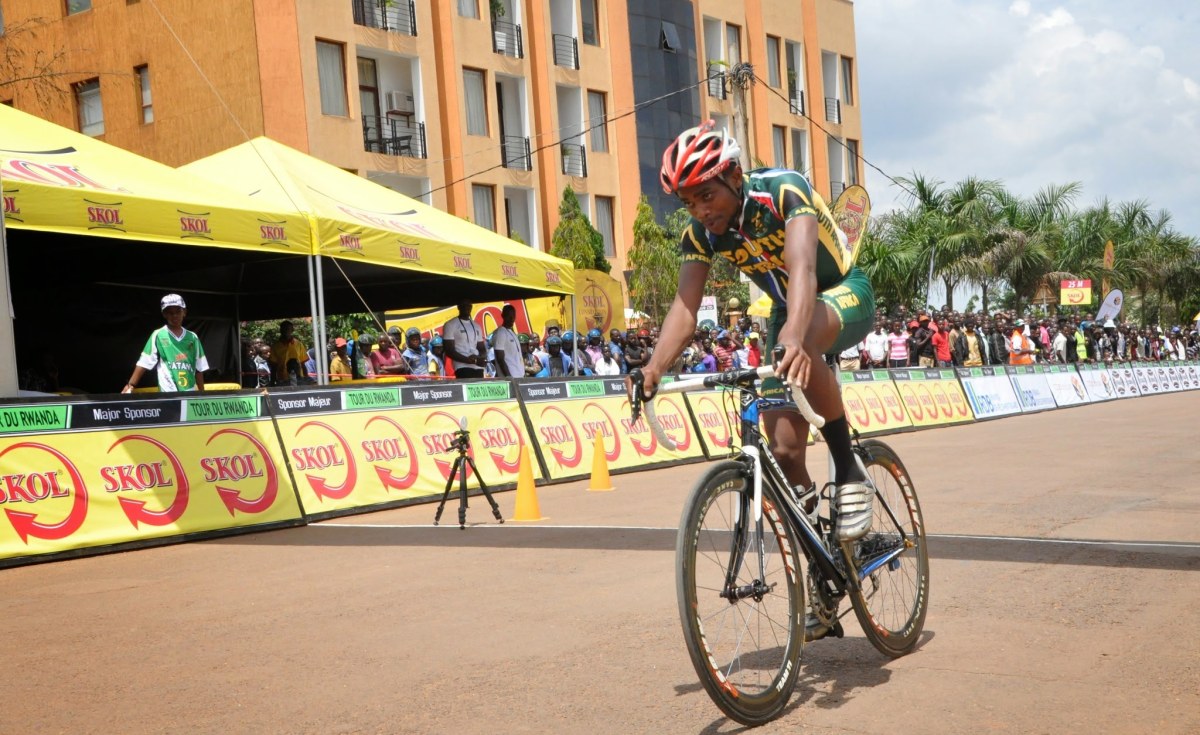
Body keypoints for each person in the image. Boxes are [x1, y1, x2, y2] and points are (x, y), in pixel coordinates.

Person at [639, 120, 876, 547]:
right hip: (788, 310)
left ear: (733, 175)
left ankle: (848, 468)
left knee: (802, 343)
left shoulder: (783, 190)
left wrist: (794, 335)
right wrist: (653, 367)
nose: (701, 212)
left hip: (841, 290)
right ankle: (823, 563)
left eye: (707, 196)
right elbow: (685, 306)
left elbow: (802, 267)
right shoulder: (701, 235)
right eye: (689, 203)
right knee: (784, 451)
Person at [122, 293, 208, 393]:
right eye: (170, 312)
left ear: (184, 312)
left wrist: (202, 392)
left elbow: (199, 367)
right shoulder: (158, 335)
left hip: (189, 393)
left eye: (178, 311)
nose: (175, 315)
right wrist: (131, 385)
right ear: (164, 314)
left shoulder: (193, 337)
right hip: (167, 393)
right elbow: (144, 362)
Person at [442, 299, 488, 379]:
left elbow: (482, 348)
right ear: (458, 307)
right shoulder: (450, 325)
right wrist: (470, 360)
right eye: (464, 305)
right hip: (462, 367)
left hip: (478, 367)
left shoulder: (476, 325)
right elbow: (449, 350)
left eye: (469, 305)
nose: (467, 307)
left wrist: (481, 358)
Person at [270, 320, 309, 385]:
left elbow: (303, 364)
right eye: (284, 329)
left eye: (288, 329)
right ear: (280, 330)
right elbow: (274, 367)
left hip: (298, 379)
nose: (286, 331)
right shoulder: (275, 346)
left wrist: (306, 378)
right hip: (282, 379)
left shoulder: (298, 344)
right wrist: (272, 382)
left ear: (292, 330)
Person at [491, 304, 524, 379]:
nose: (512, 318)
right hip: (510, 377)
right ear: (503, 316)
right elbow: (500, 359)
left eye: (513, 316)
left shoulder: (512, 332)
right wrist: (508, 377)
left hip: (519, 376)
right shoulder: (500, 332)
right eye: (509, 316)